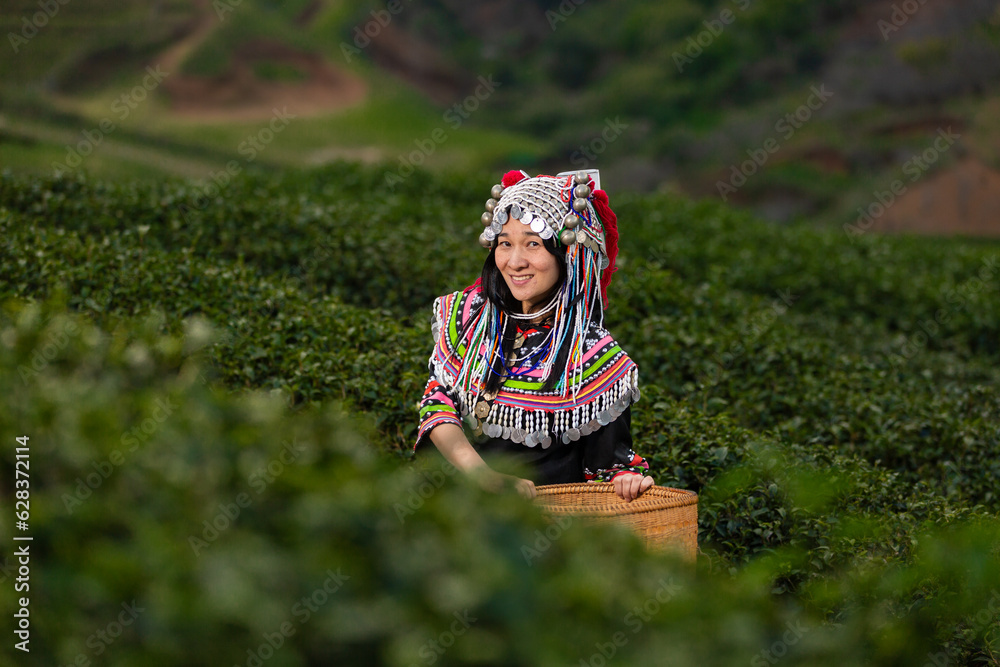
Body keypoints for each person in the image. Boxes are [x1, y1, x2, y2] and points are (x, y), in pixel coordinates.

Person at [412, 169, 654, 502]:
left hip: (535, 530)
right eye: (505, 243)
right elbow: (438, 406)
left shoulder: (596, 358)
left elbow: (607, 467)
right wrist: (484, 477)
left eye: (533, 244)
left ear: (568, 255)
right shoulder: (468, 316)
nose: (515, 262)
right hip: (449, 514)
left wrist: (626, 479)